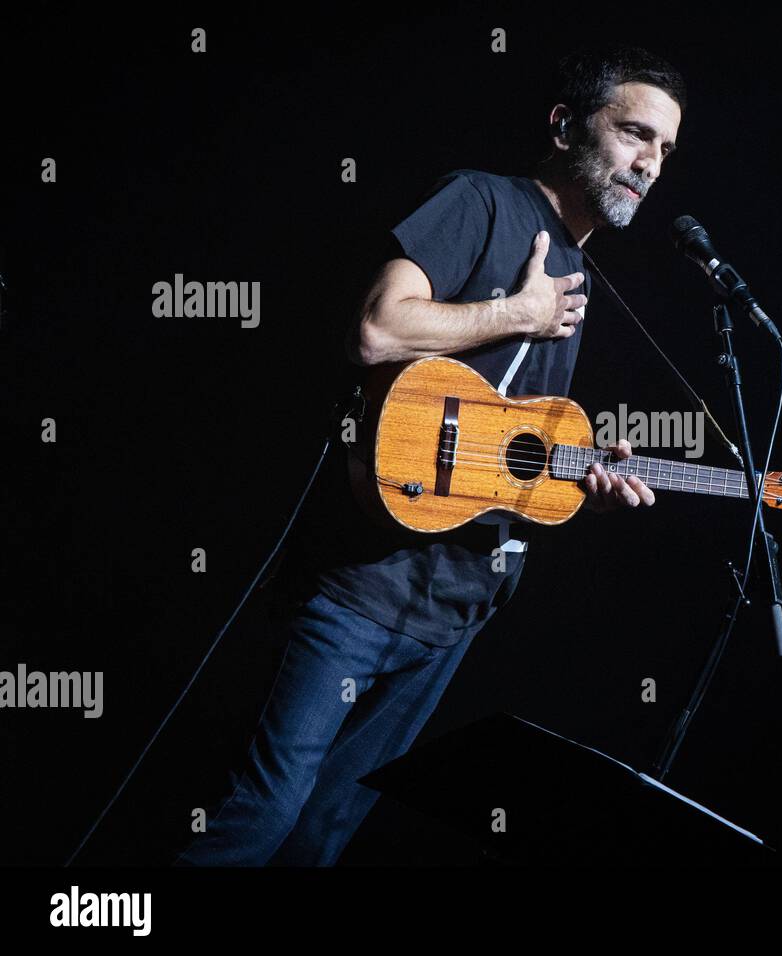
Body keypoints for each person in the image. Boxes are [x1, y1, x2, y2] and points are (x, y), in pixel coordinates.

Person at [172, 45, 686, 866]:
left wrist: (575, 467)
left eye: (663, 148)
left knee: (324, 837)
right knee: (261, 814)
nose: (649, 163)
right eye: (633, 133)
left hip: (454, 610)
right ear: (564, 126)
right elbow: (378, 329)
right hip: (359, 590)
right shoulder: (481, 201)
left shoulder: (580, 274)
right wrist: (517, 310)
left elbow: (493, 432)